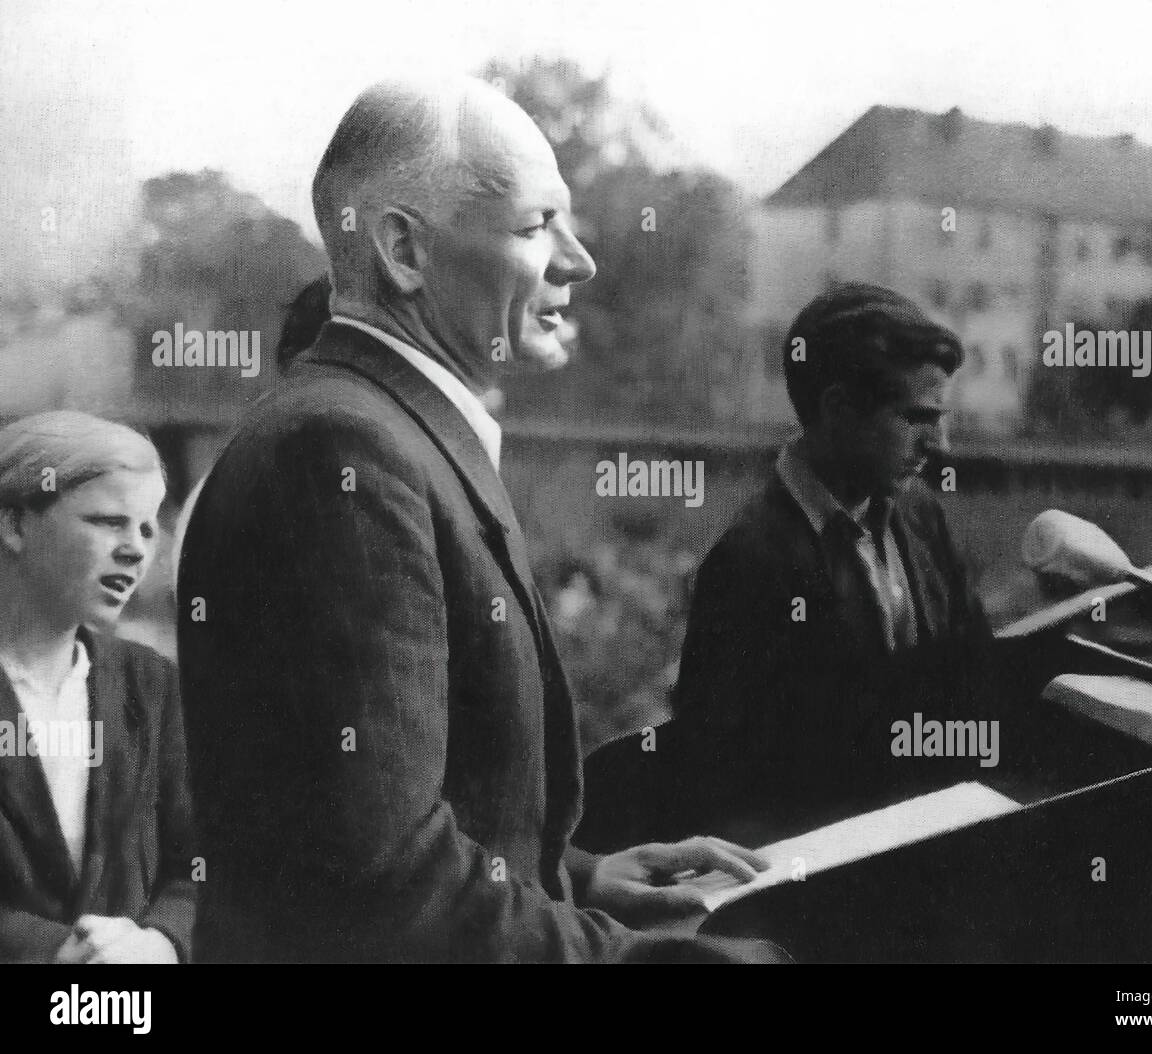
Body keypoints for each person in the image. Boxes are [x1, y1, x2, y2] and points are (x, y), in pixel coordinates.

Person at [177, 77, 778, 963]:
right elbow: (389, 887)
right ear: (403, 250)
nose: (580, 262)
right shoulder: (345, 454)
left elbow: (368, 813)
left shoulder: (384, 431)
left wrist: (569, 876)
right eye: (538, 227)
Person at [671, 284, 996, 832]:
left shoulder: (919, 514)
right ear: (839, 410)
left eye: (941, 417)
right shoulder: (750, 562)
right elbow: (722, 779)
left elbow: (973, 671)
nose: (940, 445)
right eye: (916, 418)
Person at [0, 411, 196, 963]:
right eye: (109, 521)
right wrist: (63, 954)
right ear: (15, 525)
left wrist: (159, 942)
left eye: (148, 527)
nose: (136, 549)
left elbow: (200, 864)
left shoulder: (150, 685)